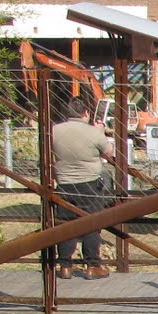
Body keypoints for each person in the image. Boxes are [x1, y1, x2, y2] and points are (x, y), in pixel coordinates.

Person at [51, 96, 114, 279]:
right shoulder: (93, 132)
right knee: (91, 225)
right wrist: (100, 131)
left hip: (64, 184)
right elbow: (109, 152)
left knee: (66, 225)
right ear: (86, 113)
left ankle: (64, 265)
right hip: (89, 184)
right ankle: (92, 265)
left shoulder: (54, 131)